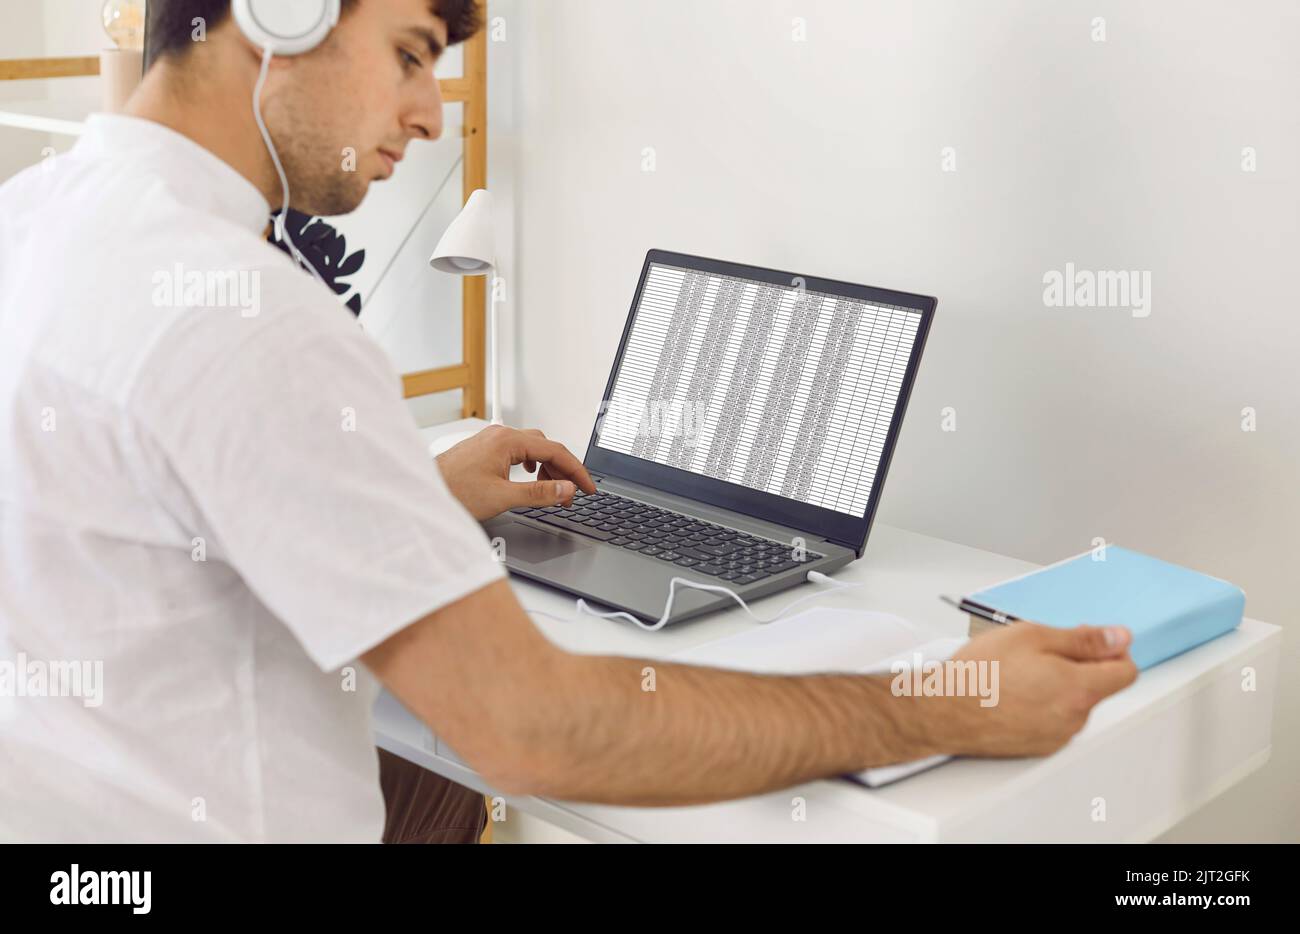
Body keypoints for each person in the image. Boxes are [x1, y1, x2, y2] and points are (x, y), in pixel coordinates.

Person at [0, 0, 1137, 843]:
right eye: (408, 52)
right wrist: (945, 698)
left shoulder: (36, 219)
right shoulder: (251, 319)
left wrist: (418, 496)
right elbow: (531, 727)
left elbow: (128, 520)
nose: (432, 115)